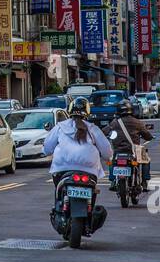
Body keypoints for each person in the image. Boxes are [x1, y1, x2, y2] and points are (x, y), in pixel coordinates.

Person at [43, 97, 111, 230]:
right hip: (89, 172)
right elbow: (107, 152)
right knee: (92, 191)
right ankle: (89, 209)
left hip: (62, 169)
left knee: (58, 191)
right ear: (88, 112)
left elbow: (47, 149)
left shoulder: (60, 127)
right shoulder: (93, 129)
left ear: (69, 110)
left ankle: (59, 207)